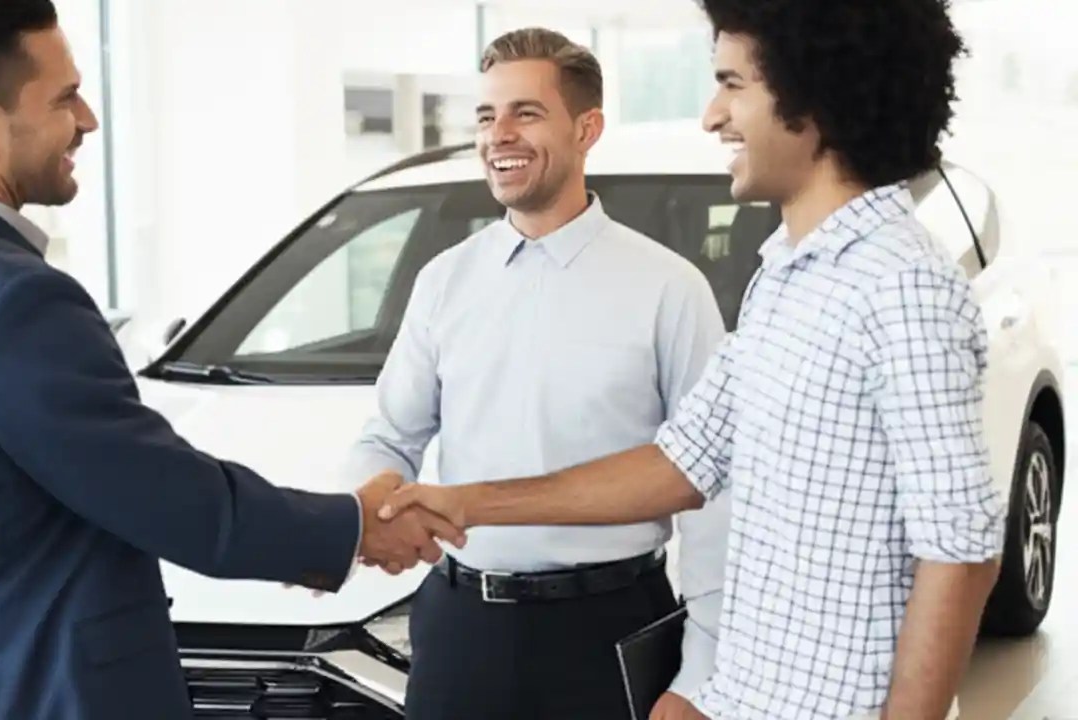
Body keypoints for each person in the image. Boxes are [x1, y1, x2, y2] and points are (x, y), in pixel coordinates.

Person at [378, 2, 1002, 719]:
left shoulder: (903, 284)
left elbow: (961, 547)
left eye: (733, 85)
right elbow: (680, 463)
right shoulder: (787, 275)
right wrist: (467, 502)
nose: (713, 116)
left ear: (814, 96)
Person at [0, 2, 461, 718]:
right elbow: (179, 502)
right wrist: (355, 525)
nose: (89, 120)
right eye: (63, 97)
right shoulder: (16, 303)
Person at [345, 27, 730, 720]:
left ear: (588, 129)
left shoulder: (668, 289)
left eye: (526, 112)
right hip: (461, 627)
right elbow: (390, 436)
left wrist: (700, 671)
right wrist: (373, 498)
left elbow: (714, 493)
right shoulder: (443, 282)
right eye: (487, 117)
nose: (500, 136)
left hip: (609, 629)